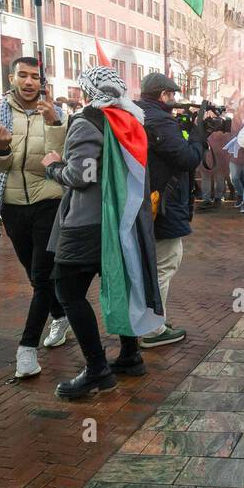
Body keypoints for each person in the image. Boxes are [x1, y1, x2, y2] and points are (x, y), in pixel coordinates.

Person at [43, 66, 164, 400]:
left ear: (87, 92)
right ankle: (130, 355)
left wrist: (53, 166)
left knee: (67, 290)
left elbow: (82, 175)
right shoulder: (130, 121)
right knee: (118, 283)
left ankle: (97, 369)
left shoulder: (87, 122)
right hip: (121, 221)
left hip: (86, 223)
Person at [0, 57, 72, 382]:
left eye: (35, 76)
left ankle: (27, 350)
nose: (29, 82)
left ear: (42, 81)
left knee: (43, 276)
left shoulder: (55, 112)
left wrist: (55, 125)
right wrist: (1, 148)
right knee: (35, 275)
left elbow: (57, 159)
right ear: (12, 77)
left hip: (48, 200)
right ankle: (60, 316)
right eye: (23, 75)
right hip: (12, 205)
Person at [134, 72, 206, 348]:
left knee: (149, 265)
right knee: (165, 263)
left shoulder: (138, 114)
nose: (174, 100)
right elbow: (187, 158)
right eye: (172, 95)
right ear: (163, 95)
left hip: (145, 200)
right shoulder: (160, 120)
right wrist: (198, 137)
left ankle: (152, 320)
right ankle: (153, 329)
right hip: (162, 203)